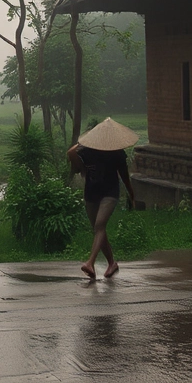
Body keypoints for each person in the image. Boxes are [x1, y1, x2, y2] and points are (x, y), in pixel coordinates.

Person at [68, 118, 138, 280]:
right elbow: (71, 153)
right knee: (98, 229)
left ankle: (90, 263)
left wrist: (131, 194)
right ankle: (112, 263)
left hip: (109, 193)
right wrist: (83, 159)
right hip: (91, 192)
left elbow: (125, 177)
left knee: (100, 225)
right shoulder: (87, 149)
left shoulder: (118, 153)